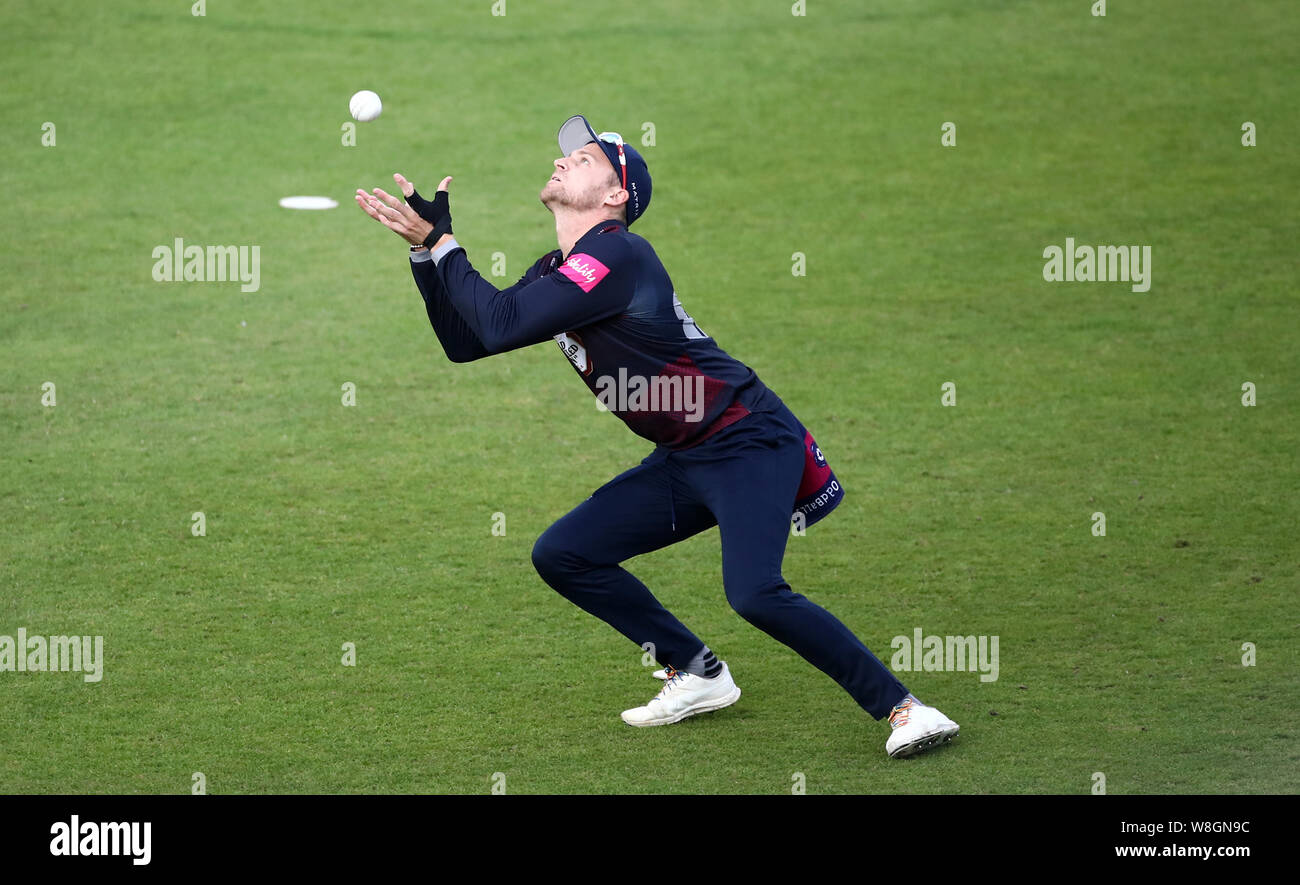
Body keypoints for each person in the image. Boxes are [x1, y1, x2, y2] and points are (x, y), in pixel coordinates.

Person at [355, 115, 959, 758]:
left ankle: (906, 709)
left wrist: (446, 244)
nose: (563, 162)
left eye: (584, 159)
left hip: (749, 440)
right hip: (688, 456)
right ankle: (697, 672)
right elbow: (468, 341)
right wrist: (426, 252)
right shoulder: (559, 267)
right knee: (564, 553)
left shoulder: (618, 253)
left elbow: (500, 324)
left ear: (616, 195)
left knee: (755, 593)